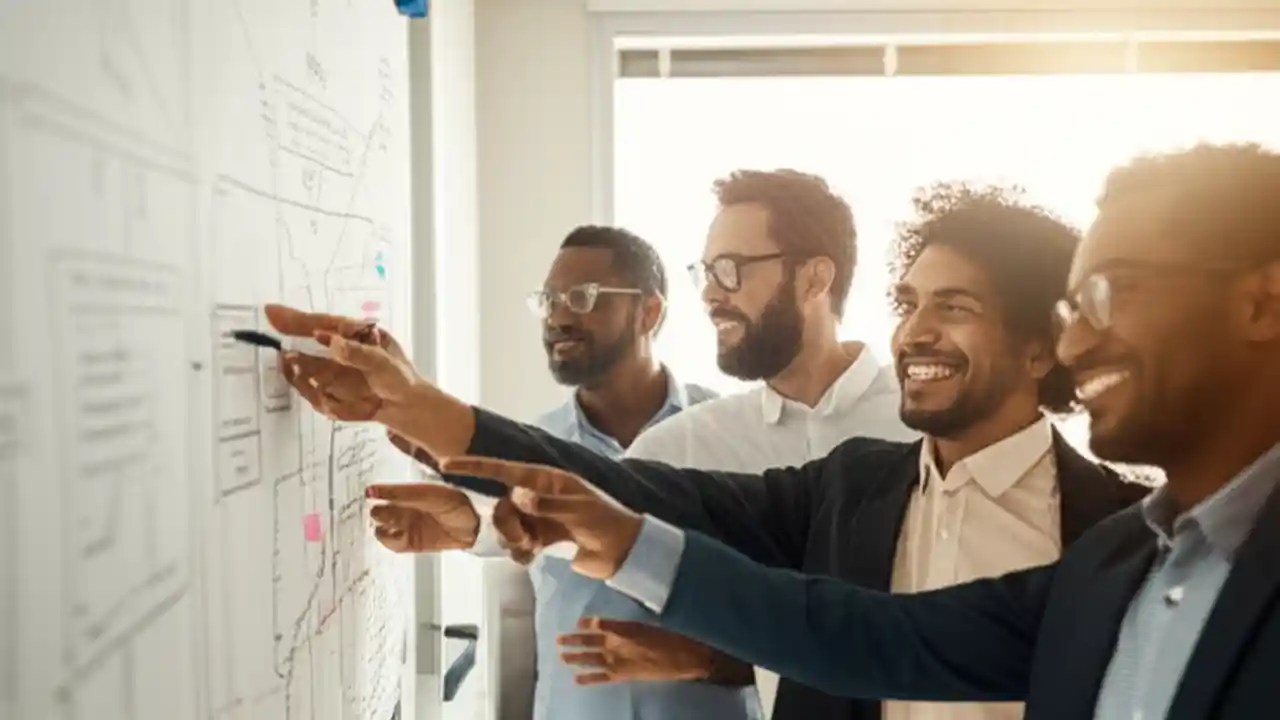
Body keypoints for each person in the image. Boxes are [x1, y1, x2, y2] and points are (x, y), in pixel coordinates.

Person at [435, 143, 1280, 719]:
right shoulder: (1122, 558)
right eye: (908, 304)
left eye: (1112, 294)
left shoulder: (1102, 531)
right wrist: (437, 427)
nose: (1082, 341)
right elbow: (850, 631)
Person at [269, 183, 1148, 720]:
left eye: (954, 307)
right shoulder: (847, 488)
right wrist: (430, 413)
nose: (915, 329)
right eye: (910, 303)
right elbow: (641, 490)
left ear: (1043, 347)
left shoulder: (1119, 534)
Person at [597, 169, 914, 716]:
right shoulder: (683, 447)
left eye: (731, 269)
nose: (709, 294)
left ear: (814, 279)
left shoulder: (927, 427)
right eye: (706, 272)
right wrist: (474, 515)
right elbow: (583, 499)